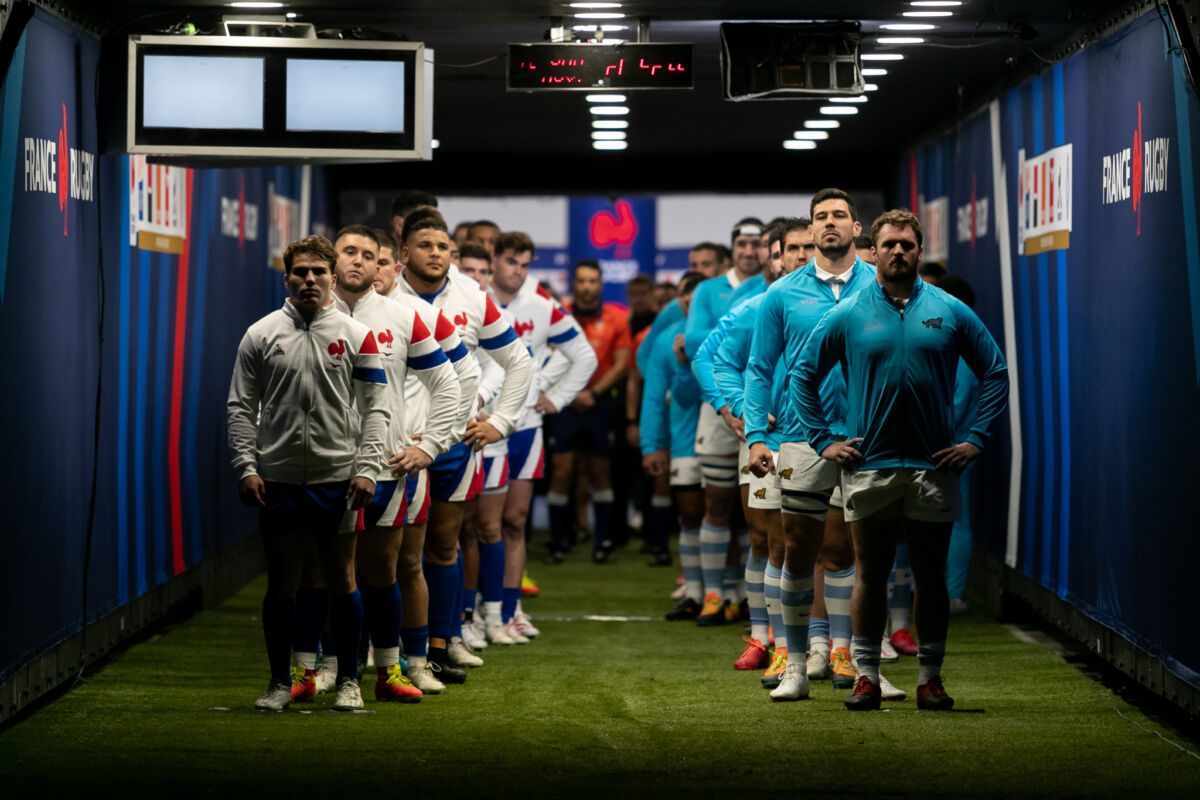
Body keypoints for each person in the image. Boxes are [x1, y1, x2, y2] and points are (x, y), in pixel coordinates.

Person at [793, 208, 1008, 711]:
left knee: (930, 575)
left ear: (919, 250)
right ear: (874, 250)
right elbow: (802, 372)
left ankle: (930, 679)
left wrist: (976, 436)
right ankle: (866, 674)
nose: (897, 253)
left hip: (934, 465)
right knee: (871, 572)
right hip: (869, 464)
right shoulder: (848, 312)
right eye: (888, 245)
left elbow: (995, 371)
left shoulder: (949, 309)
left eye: (907, 245)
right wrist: (823, 438)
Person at [227, 235, 390, 712]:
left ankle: (349, 681)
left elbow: (377, 408)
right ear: (287, 278)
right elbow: (240, 407)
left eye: (319, 273)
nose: (310, 280)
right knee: (283, 583)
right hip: (277, 480)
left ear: (333, 279)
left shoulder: (358, 336)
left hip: (338, 479)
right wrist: (246, 466)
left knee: (343, 578)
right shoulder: (260, 334)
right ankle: (281, 682)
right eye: (301, 272)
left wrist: (367, 469)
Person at [744, 190, 876, 699]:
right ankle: (796, 664)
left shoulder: (879, 286)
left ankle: (848, 655)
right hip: (798, 437)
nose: (829, 224)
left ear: (856, 228)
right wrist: (758, 435)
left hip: (865, 435)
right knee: (798, 548)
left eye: (839, 216)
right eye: (820, 217)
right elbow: (759, 369)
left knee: (849, 549)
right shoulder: (782, 294)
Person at [392, 212, 533, 683]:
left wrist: (501, 422)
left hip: (454, 445)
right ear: (404, 249)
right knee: (394, 554)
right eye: (425, 245)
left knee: (445, 546)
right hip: (398, 446)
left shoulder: (472, 297)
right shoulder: (385, 293)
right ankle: (392, 650)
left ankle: (444, 642)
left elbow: (518, 361)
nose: (436, 253)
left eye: (443, 246)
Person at [324, 224, 461, 701]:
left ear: (387, 264)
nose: (360, 262)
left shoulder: (405, 317)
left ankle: (396, 666)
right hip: (324, 469)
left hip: (387, 468)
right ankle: (327, 667)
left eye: (370, 254)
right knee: (325, 573)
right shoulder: (308, 316)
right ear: (332, 259)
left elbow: (451, 382)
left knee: (386, 569)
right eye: (349, 252)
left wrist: (431, 445)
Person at [486, 232, 596, 636]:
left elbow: (584, 355)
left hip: (526, 429)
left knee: (514, 521)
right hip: (480, 429)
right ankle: (478, 611)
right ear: (494, 260)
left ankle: (508, 611)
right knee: (481, 526)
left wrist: (557, 396)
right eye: (511, 261)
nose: (518, 270)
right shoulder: (472, 299)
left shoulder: (541, 306)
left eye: (525, 264)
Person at [684, 218, 764, 625]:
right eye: (743, 243)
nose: (750, 251)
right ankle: (715, 594)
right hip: (717, 406)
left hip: (764, 406)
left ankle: (749, 598)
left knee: (758, 508)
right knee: (716, 504)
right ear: (731, 247)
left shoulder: (776, 286)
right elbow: (695, 342)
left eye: (757, 243)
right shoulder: (707, 288)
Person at [545, 260, 631, 563]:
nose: (586, 286)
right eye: (581, 280)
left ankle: (603, 540)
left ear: (601, 284)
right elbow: (548, 357)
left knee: (600, 473)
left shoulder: (617, 317)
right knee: (561, 471)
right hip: (563, 402)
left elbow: (622, 365)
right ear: (573, 283)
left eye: (592, 281)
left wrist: (593, 393)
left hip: (600, 403)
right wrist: (571, 393)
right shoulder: (557, 314)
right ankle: (557, 541)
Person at [639, 271, 708, 615]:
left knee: (731, 518)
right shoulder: (667, 339)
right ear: (678, 301)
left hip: (729, 438)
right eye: (685, 298)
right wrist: (651, 444)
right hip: (684, 442)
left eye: (696, 298)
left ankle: (730, 594)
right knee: (692, 517)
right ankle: (695, 594)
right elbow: (654, 395)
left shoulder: (722, 330)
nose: (690, 303)